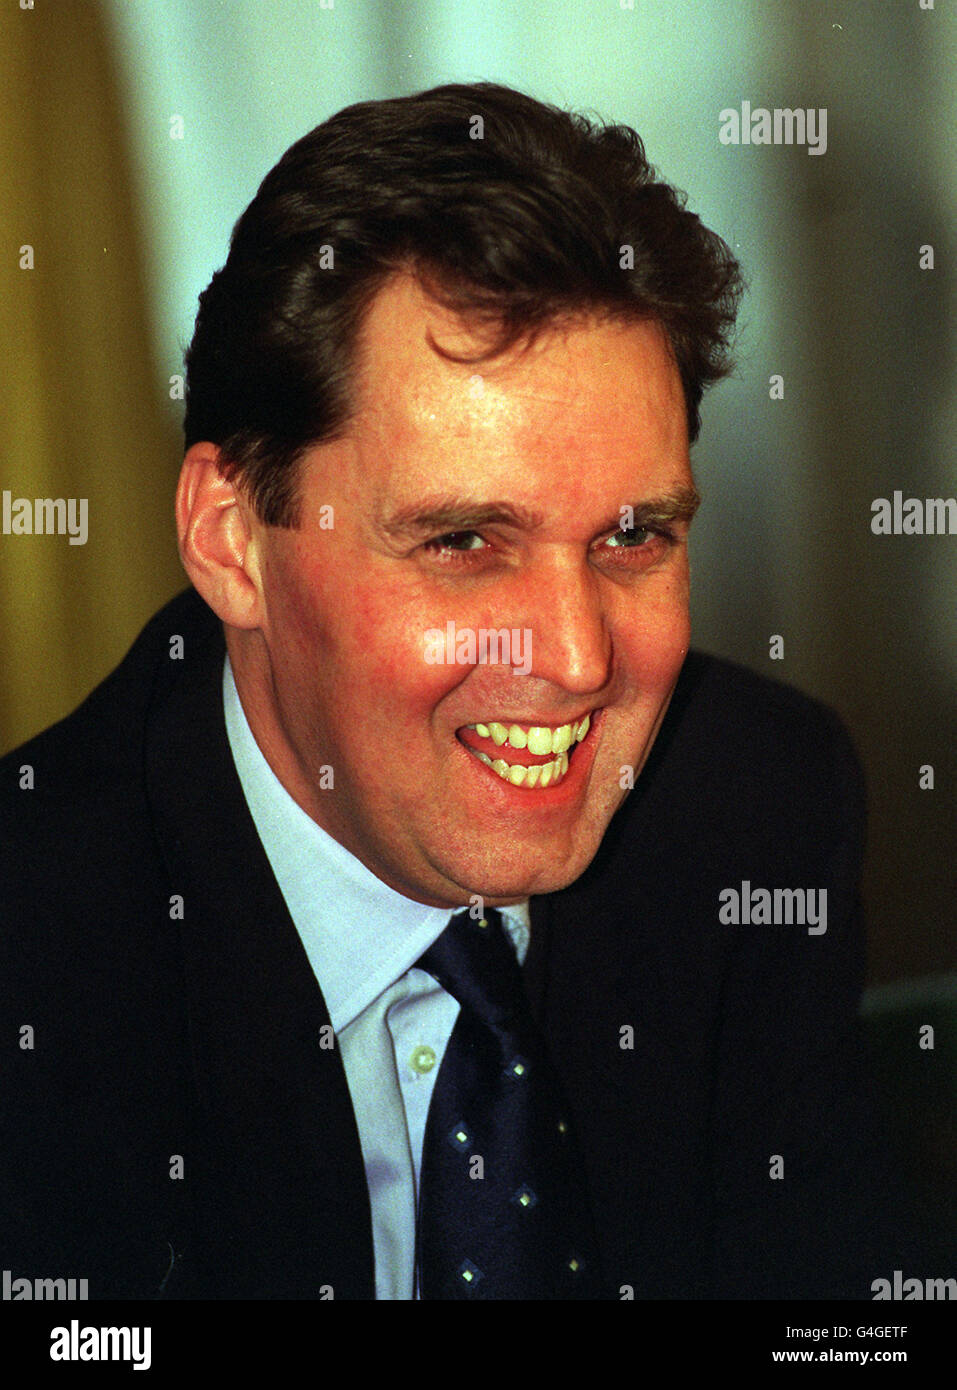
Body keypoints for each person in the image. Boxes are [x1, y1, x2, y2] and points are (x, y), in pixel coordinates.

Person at [0, 82, 899, 1300]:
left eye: (633, 536)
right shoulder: (36, 947)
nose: (577, 659)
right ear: (232, 541)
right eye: (466, 541)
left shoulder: (758, 805)